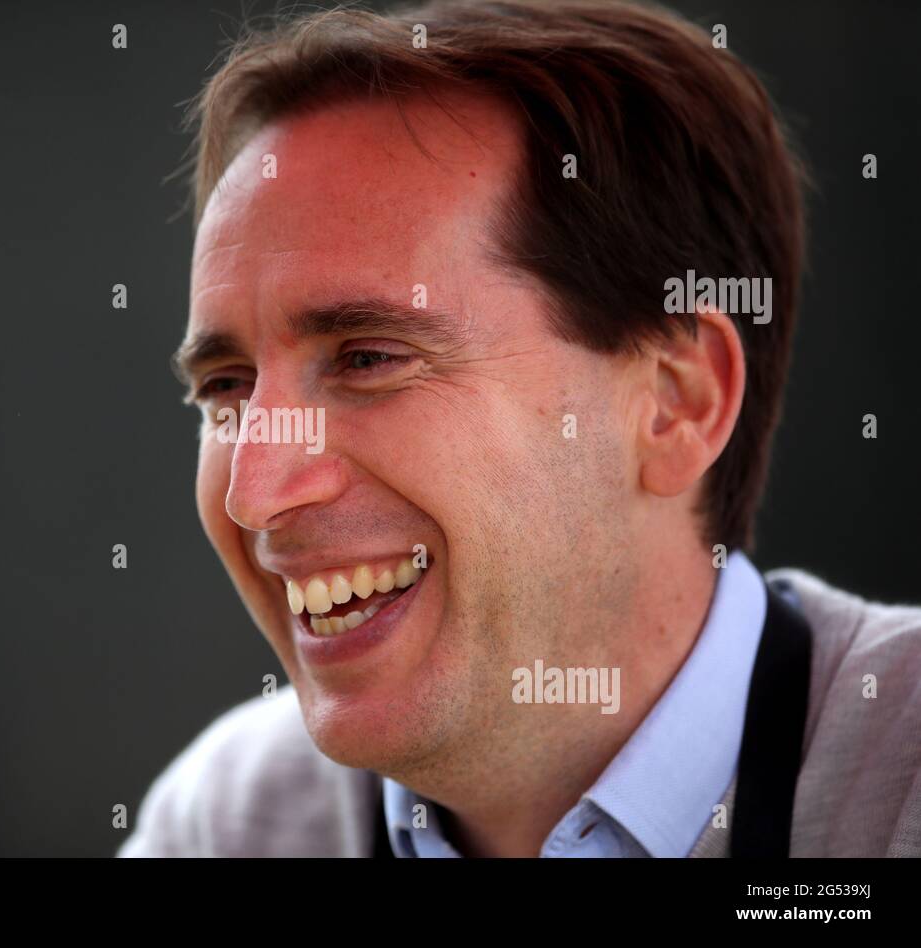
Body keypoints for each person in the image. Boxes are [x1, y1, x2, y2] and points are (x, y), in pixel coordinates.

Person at [119, 0, 921, 857]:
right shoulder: (224, 825)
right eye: (227, 387)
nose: (255, 493)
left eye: (367, 359)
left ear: (676, 402)